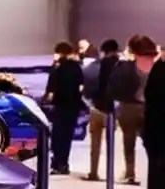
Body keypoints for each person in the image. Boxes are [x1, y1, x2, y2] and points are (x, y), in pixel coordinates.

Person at [112, 35, 157, 185]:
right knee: (153, 143)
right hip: (150, 108)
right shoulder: (156, 66)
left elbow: (116, 87)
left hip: (129, 107)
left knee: (128, 142)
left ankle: (130, 173)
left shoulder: (125, 66)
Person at [83, 39, 122, 181]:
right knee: (116, 144)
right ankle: (118, 174)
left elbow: (87, 86)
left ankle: (94, 172)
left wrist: (90, 101)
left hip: (98, 107)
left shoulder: (95, 66)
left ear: (103, 51)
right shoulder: (122, 66)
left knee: (95, 144)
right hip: (116, 110)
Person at [44, 41, 84, 175]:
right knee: (66, 137)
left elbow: (52, 86)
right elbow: (80, 85)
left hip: (60, 105)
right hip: (72, 106)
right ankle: (63, 163)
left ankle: (57, 162)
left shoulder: (58, 67)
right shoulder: (76, 67)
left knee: (57, 136)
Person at [143, 38, 165, 189]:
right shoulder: (160, 72)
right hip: (159, 136)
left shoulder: (158, 70)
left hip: (156, 134)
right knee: (158, 178)